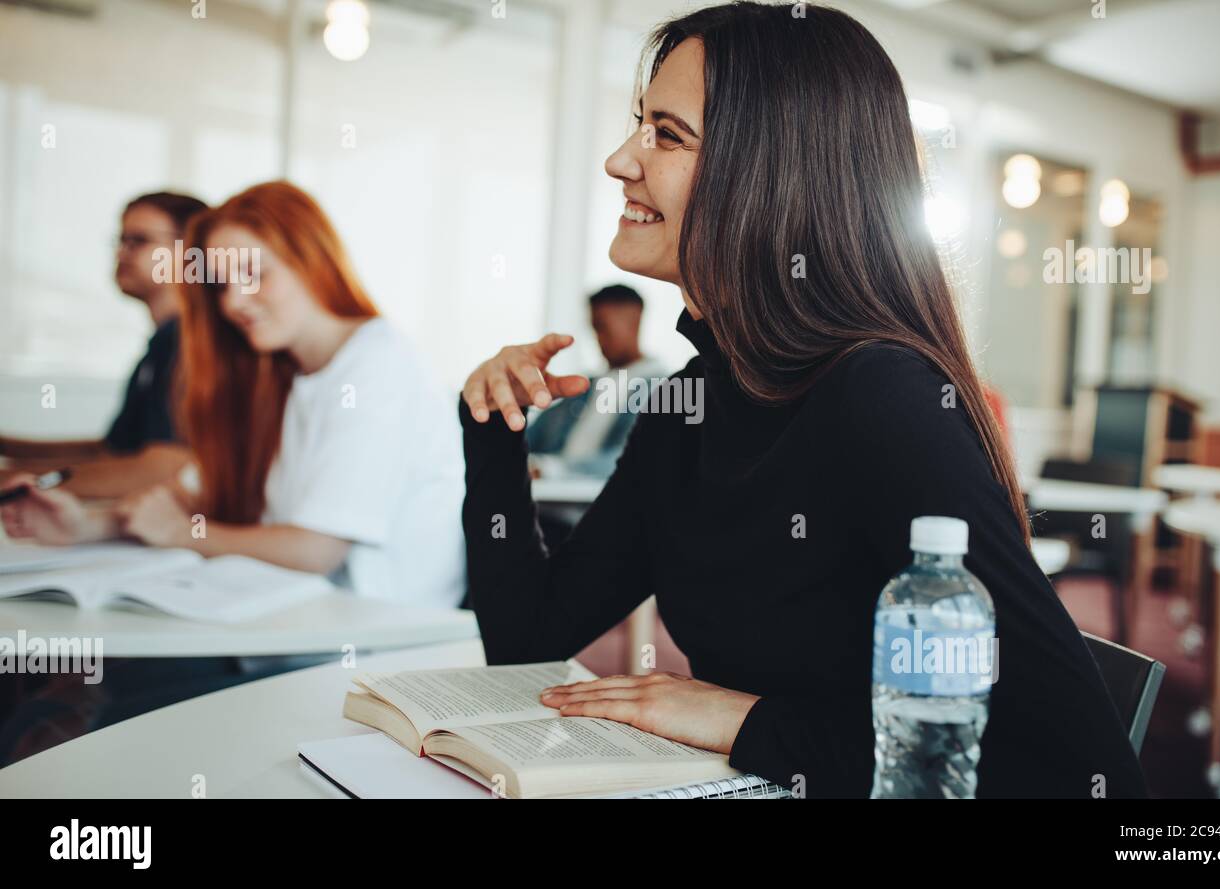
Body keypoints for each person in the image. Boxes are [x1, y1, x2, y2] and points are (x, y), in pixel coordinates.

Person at [457, 2, 1146, 798]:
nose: (620, 159)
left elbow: (1070, 773)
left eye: (667, 135)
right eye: (637, 124)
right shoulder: (692, 402)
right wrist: (493, 425)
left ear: (772, 173)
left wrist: (746, 722)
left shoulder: (881, 398)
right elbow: (526, 638)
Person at [1, 181, 466, 608]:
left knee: (103, 686)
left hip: (373, 636)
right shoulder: (282, 370)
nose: (233, 302)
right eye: (223, 284)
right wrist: (84, 526)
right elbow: (196, 492)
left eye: (253, 273)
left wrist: (185, 536)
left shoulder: (375, 365)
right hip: (295, 615)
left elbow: (315, 550)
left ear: (312, 260)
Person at [0, 192, 208, 498]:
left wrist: (24, 481)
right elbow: (115, 452)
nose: (122, 252)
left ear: (190, 254)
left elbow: (161, 466)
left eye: (139, 241)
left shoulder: (189, 343)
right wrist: (11, 450)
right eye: (121, 240)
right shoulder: (162, 343)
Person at [526, 284, 665, 479]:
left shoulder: (663, 390)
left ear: (634, 319)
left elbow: (636, 459)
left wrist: (549, 469)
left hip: (603, 503)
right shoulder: (583, 387)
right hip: (545, 497)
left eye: (602, 327)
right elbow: (527, 440)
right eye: (594, 328)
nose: (598, 338)